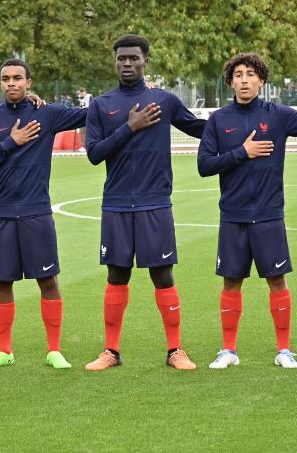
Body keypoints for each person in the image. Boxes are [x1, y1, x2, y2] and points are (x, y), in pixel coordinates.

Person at [83, 35, 205, 372]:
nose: (126, 63)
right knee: (117, 274)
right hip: (117, 204)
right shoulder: (100, 104)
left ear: (145, 62)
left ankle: (175, 350)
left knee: (162, 275)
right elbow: (94, 153)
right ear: (115, 61)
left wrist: (242, 127)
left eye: (133, 58)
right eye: (121, 58)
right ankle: (111, 351)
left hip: (155, 203)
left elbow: (198, 128)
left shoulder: (164, 101)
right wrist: (129, 127)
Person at [197, 53, 297, 369]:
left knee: (277, 280)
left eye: (250, 74)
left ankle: (284, 350)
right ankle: (228, 350)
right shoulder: (218, 120)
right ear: (230, 82)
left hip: (269, 214)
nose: (244, 79)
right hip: (233, 215)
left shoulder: (277, 115)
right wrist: (242, 152)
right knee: (231, 282)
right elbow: (204, 165)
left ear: (262, 81)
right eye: (238, 74)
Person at [0, 59, 86, 370]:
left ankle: (54, 350)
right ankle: (4, 350)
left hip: (37, 212)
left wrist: (144, 95)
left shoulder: (45, 113)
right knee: (1, 281)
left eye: (17, 78)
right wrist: (11, 142)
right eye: (6, 78)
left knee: (48, 280)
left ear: (29, 82)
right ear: (1, 83)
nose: (11, 83)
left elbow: (92, 112)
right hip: (3, 213)